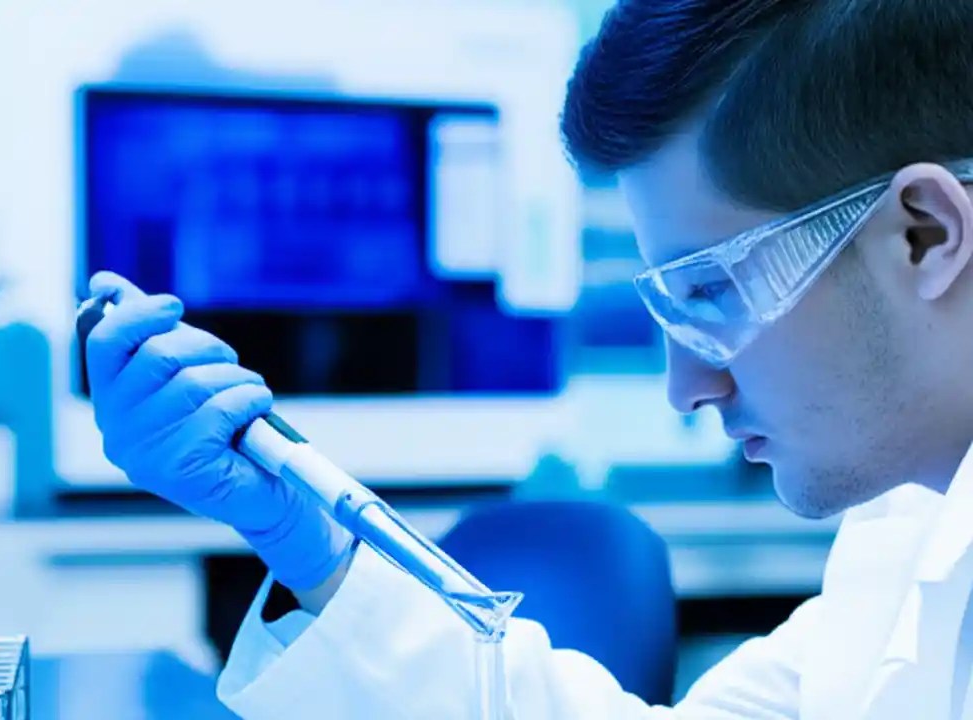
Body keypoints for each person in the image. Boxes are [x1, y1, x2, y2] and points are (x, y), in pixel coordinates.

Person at [83, 0, 973, 716]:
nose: (687, 387)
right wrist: (311, 545)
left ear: (924, 236)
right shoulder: (902, 539)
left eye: (715, 293)